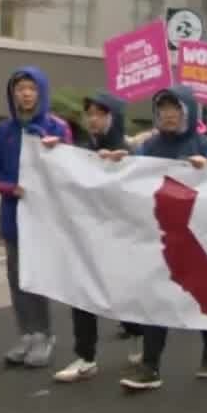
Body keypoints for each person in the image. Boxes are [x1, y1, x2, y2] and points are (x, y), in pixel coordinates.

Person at [108, 86, 207, 390]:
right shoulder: (149, 148)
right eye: (162, 110)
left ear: (187, 111)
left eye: (174, 109)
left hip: (196, 236)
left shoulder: (202, 143)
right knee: (155, 297)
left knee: (204, 296)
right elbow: (130, 165)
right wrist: (115, 160)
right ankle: (150, 367)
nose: (168, 115)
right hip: (160, 237)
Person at [0, 67, 73, 368]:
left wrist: (56, 147)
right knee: (16, 279)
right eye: (20, 88)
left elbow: (69, 169)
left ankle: (44, 335)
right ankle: (26, 333)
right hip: (13, 215)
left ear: (41, 92)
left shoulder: (58, 128)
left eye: (31, 88)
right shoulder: (3, 131)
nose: (25, 94)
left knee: (37, 278)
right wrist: (11, 189)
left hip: (43, 217)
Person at [53, 92, 128, 383]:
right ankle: (85, 357)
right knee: (82, 291)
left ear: (113, 117)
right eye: (90, 113)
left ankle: (139, 337)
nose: (94, 119)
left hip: (119, 237)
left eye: (101, 113)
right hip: (87, 235)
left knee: (124, 293)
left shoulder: (125, 151)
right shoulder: (82, 147)